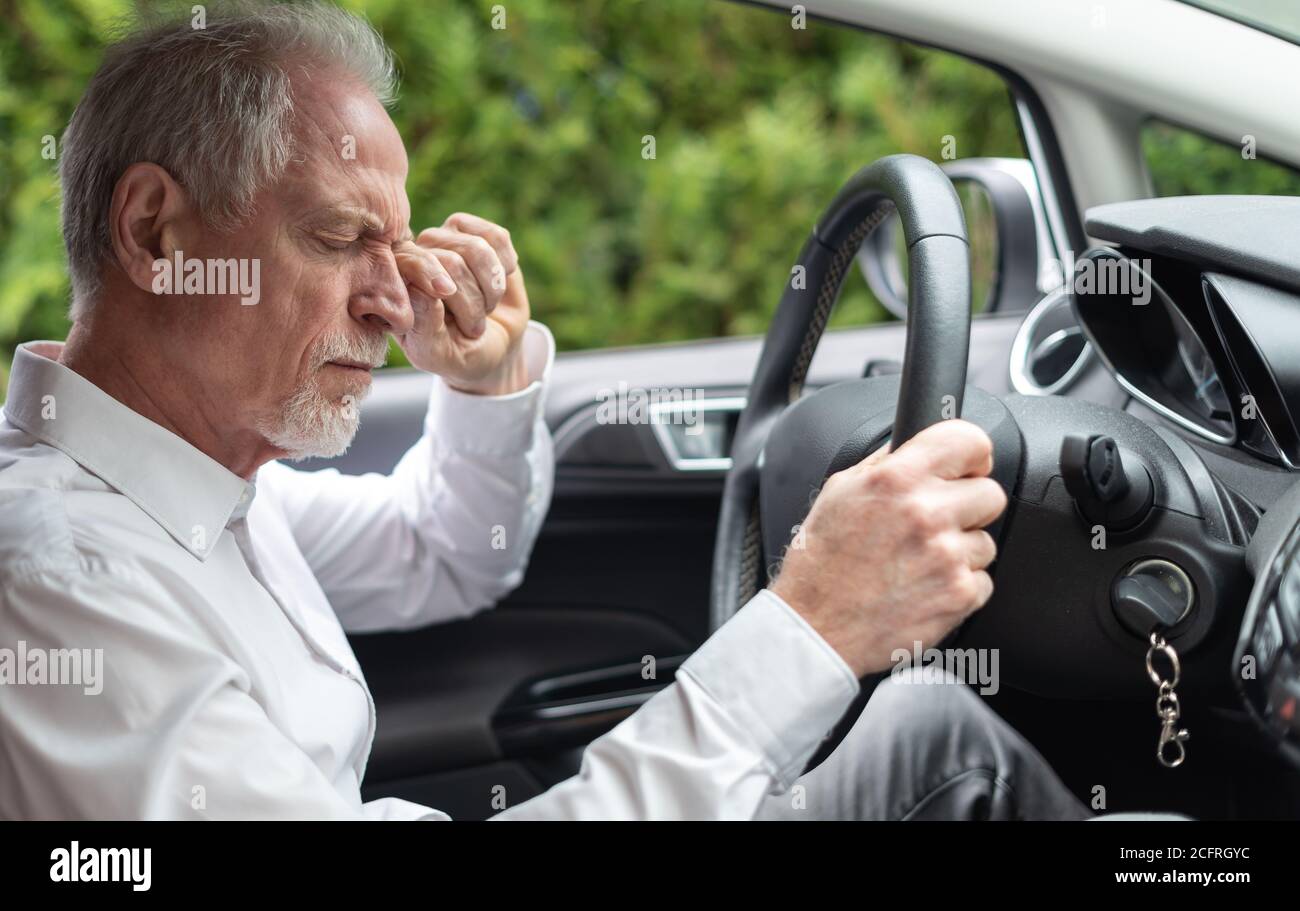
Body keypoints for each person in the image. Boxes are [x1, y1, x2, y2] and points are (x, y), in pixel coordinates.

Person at [0, 1, 1086, 821]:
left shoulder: (199, 485)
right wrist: (810, 625)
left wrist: (482, 382)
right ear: (156, 233)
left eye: (399, 245)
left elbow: (447, 552)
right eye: (338, 240)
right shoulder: (61, 579)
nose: (393, 297)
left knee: (929, 726)